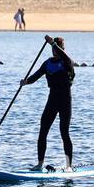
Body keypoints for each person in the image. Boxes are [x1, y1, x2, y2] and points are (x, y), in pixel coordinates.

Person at [25, 36, 76, 172]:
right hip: (52, 99)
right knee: (43, 131)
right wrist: (26, 81)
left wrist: (53, 43)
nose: (57, 51)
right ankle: (40, 164)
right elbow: (35, 76)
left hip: (65, 100)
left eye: (59, 48)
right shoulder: (47, 63)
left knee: (64, 132)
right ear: (52, 50)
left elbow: (67, 59)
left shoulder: (67, 62)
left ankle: (69, 166)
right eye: (55, 48)